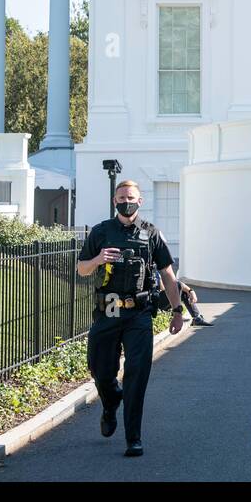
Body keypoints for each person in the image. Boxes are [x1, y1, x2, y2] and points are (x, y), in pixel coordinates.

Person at [76, 180, 185, 457]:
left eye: (132, 197)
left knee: (137, 375)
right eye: (122, 197)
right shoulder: (101, 232)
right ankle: (111, 402)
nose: (127, 201)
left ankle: (133, 438)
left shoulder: (151, 234)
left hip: (139, 314)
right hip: (108, 312)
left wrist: (177, 311)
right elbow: (82, 270)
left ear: (140, 201)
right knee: (101, 371)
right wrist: (99, 259)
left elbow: (168, 276)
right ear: (115, 201)